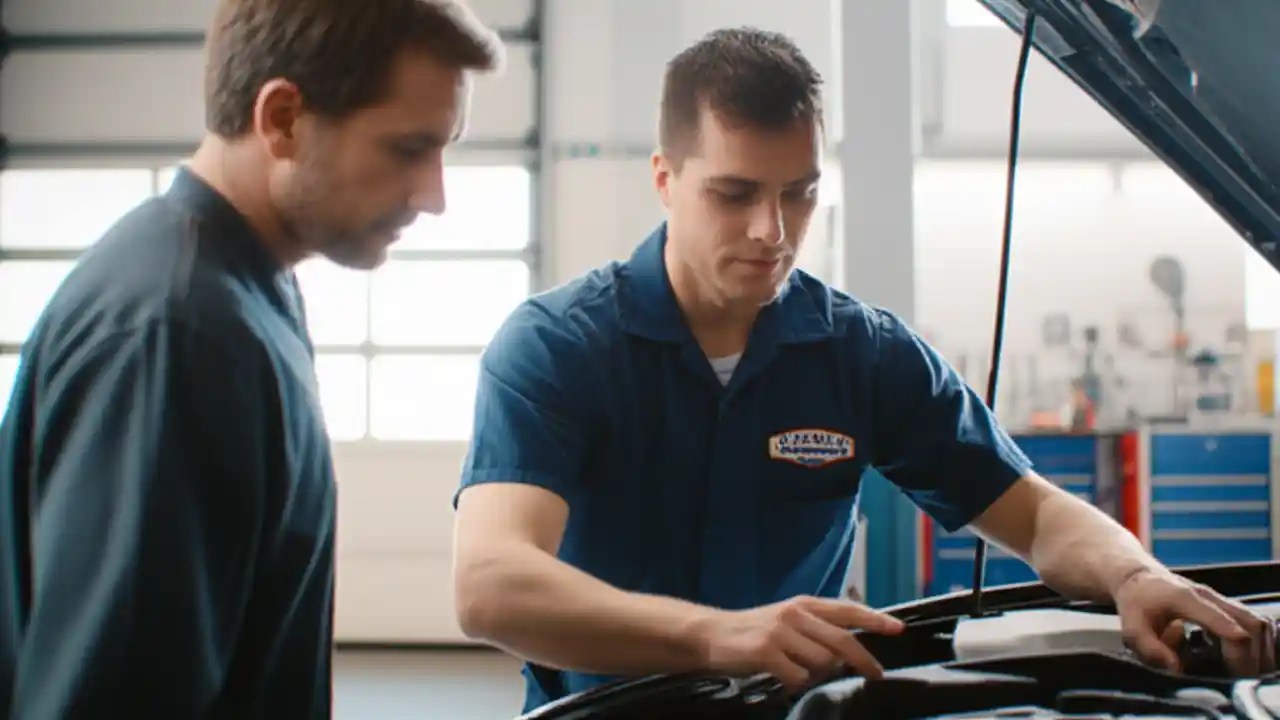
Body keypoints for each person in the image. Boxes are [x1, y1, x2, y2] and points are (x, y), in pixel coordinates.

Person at [451, 26, 1276, 713]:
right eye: (734, 194)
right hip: (606, 713)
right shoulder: (557, 348)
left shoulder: (862, 353)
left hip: (795, 709)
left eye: (800, 193)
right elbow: (491, 584)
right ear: (666, 180)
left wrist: (1136, 574)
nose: (772, 230)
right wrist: (716, 634)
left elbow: (1035, 517)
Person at [0, 1, 501, 716]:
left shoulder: (246, 290)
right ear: (284, 119)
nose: (435, 196)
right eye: (407, 149)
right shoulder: (176, 331)